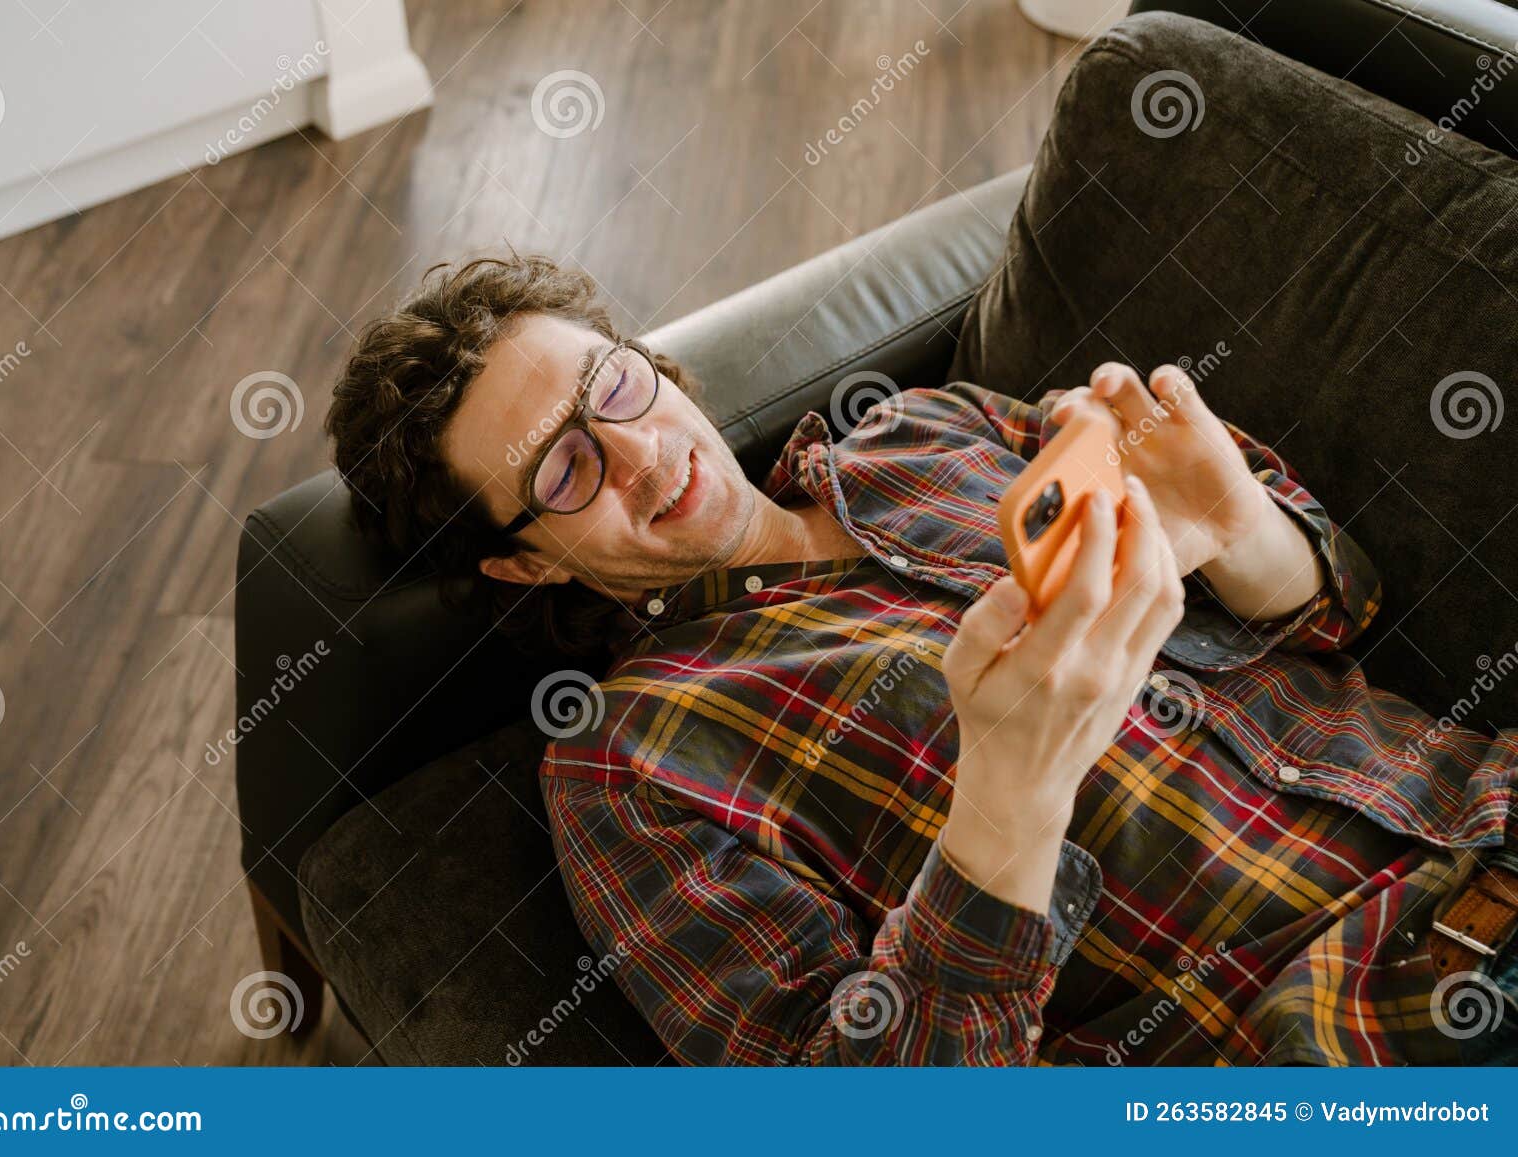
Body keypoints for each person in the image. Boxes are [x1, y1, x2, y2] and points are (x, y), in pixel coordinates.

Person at [324, 253, 1518, 1065]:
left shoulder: (925, 427)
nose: (638, 452)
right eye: (564, 471)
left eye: (615, 385)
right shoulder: (625, 768)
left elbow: (1339, 604)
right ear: (527, 564)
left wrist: (1244, 533)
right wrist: (1010, 803)